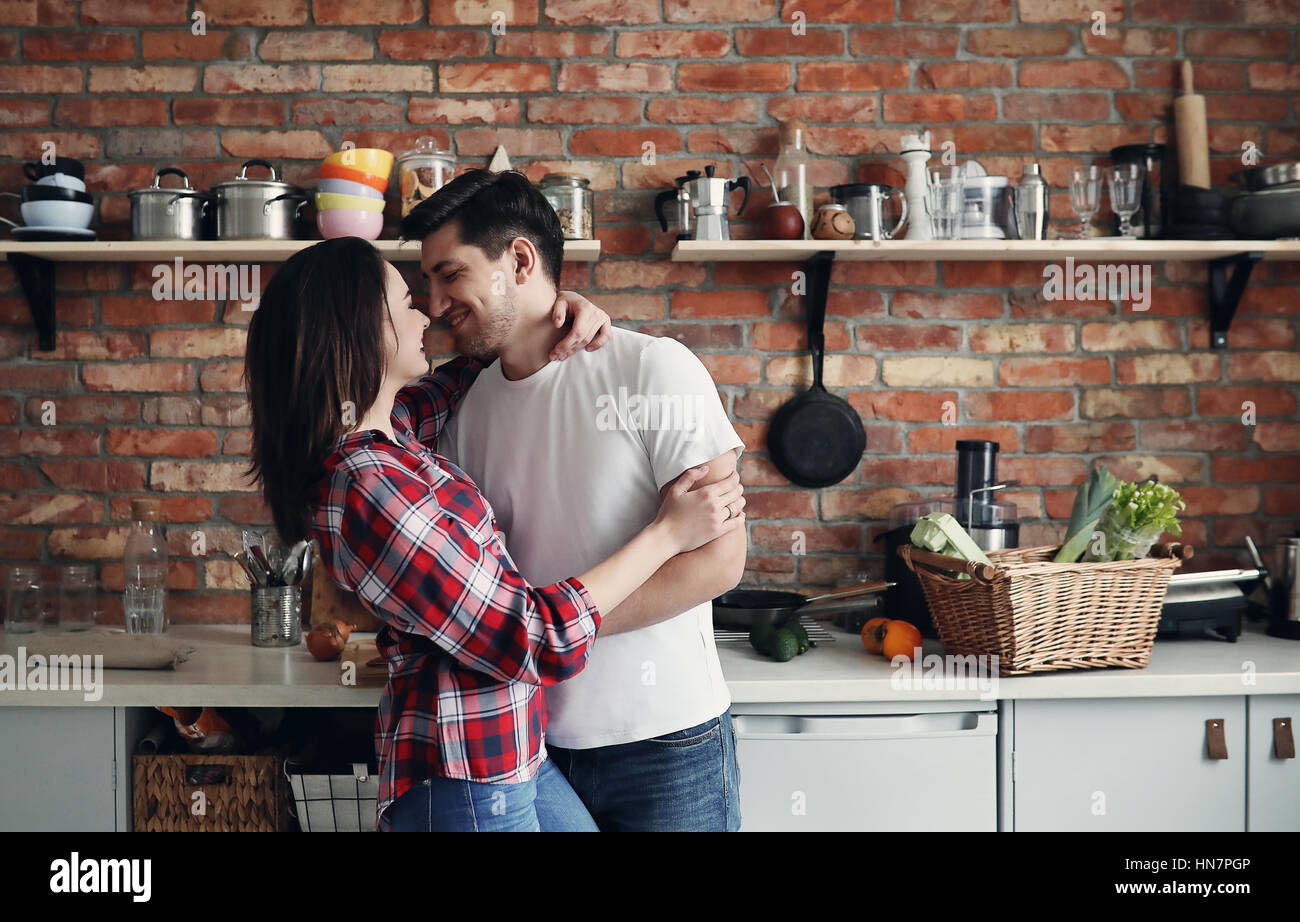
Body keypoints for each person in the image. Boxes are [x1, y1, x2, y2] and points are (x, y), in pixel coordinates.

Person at [242, 236, 746, 831]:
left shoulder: (391, 432)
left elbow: (470, 368)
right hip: (463, 769)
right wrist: (667, 532)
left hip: (512, 754)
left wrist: (549, 315)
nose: (428, 311)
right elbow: (525, 635)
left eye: (440, 284)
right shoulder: (367, 483)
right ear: (357, 329)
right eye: (407, 300)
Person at [401, 170, 749, 831]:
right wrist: (533, 637)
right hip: (532, 752)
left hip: (666, 743)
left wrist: (540, 636)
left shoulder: (654, 370)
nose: (435, 301)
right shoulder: (463, 412)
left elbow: (719, 562)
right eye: (426, 284)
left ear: (521, 261)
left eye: (450, 275)